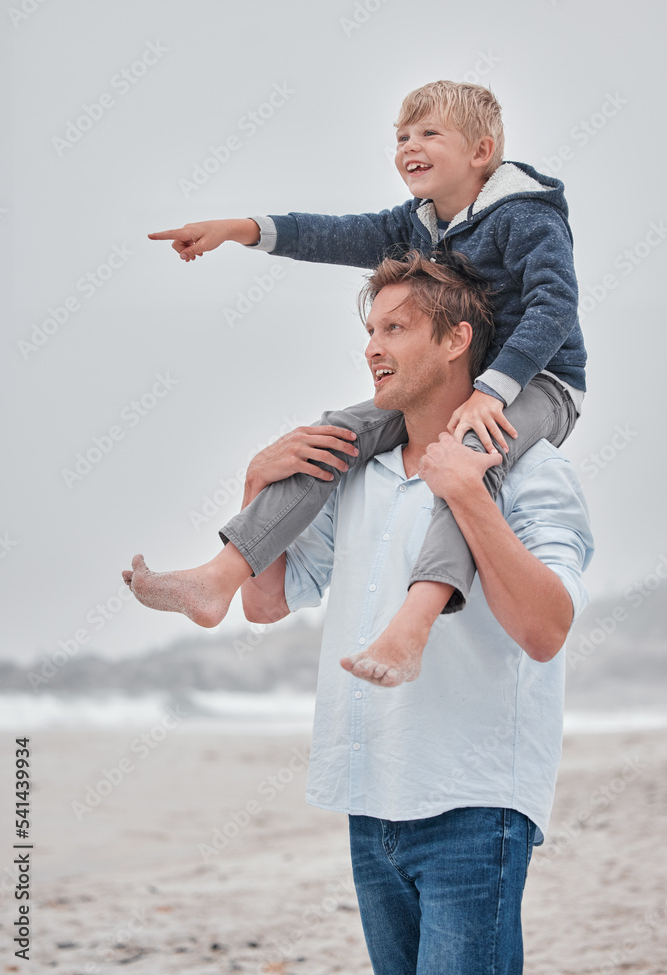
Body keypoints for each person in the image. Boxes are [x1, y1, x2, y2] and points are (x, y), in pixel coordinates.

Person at [128, 79, 586, 688]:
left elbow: (554, 307)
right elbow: (335, 234)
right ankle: (220, 576)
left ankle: (415, 621)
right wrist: (240, 228)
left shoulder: (526, 215)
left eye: (428, 133)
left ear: (481, 151)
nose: (409, 146)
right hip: (462, 387)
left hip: (542, 383)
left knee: (470, 453)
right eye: (401, 137)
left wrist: (492, 391)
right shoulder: (419, 224)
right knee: (333, 434)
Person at [236, 252, 594, 974]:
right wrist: (255, 486)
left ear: (457, 339)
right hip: (370, 797)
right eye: (370, 331)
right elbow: (265, 603)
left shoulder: (535, 470)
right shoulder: (355, 474)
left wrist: (465, 492)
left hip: (474, 802)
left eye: (394, 328)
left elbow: (546, 629)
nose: (373, 347)